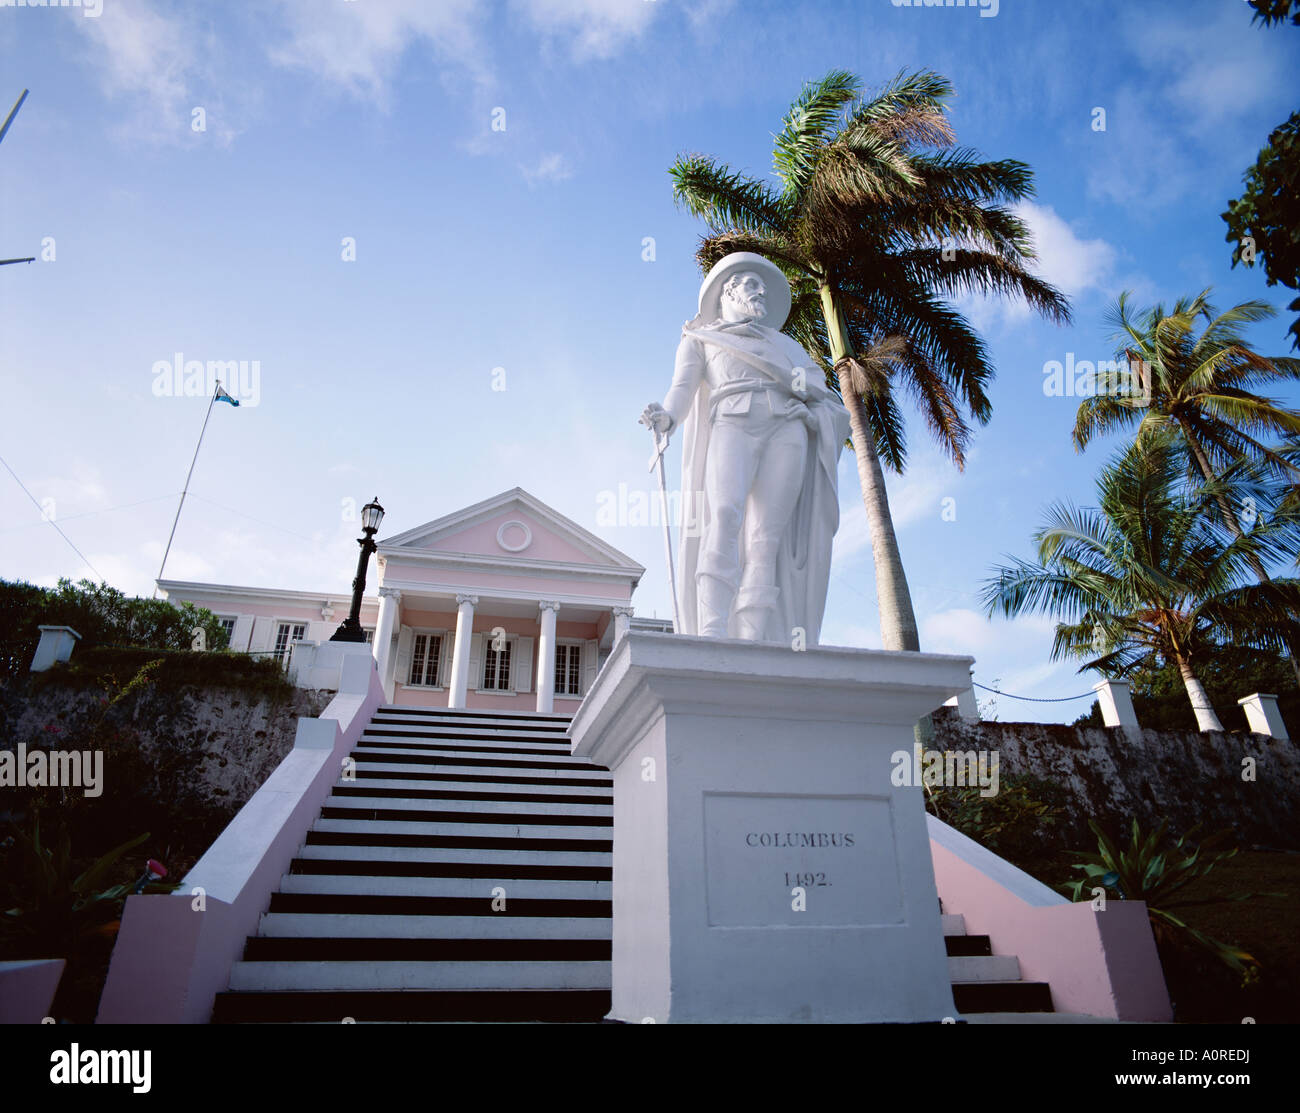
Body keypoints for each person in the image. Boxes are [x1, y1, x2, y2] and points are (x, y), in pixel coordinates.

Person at [641, 252, 848, 643]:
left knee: (765, 536)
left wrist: (794, 386)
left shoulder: (784, 345)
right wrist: (666, 416)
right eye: (752, 285)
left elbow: (815, 389)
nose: (761, 294)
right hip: (733, 423)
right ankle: (712, 630)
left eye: (763, 289)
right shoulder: (700, 339)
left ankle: (753, 642)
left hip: (786, 429)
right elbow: (682, 388)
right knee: (723, 514)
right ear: (728, 290)